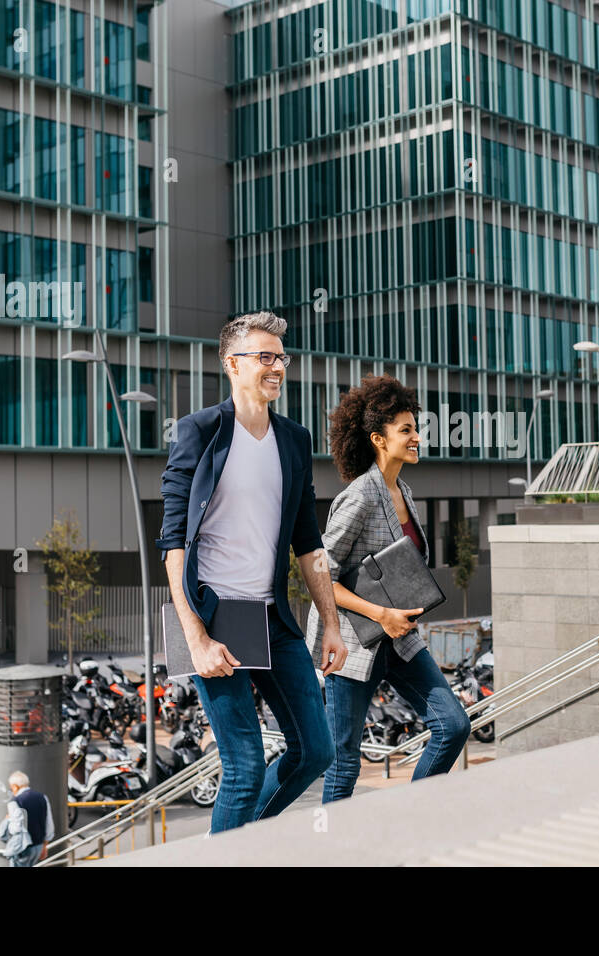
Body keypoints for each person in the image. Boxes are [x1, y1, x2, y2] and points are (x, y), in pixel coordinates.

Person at [157, 311, 346, 834]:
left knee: (315, 751)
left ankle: (246, 844)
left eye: (280, 357)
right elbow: (173, 544)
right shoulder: (199, 432)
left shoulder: (293, 439)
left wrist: (330, 623)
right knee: (241, 769)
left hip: (272, 615)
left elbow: (308, 543)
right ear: (231, 364)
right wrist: (195, 636)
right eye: (264, 357)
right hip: (216, 614)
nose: (277, 367)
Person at [308, 375, 471, 803]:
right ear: (379, 439)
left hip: (399, 641)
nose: (417, 437)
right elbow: (320, 572)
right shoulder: (360, 495)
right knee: (343, 764)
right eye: (407, 430)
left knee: (452, 725)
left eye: (415, 428)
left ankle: (409, 819)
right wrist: (380, 614)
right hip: (353, 643)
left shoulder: (405, 492)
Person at [0, 771, 53, 867]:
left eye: (11, 788)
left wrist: (7, 820)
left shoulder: (15, 802)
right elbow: (49, 823)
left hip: (23, 848)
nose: (12, 791)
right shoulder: (42, 797)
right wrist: (45, 845)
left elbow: (15, 829)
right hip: (38, 845)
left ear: (15, 786)